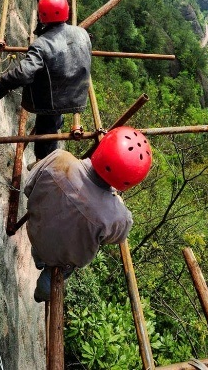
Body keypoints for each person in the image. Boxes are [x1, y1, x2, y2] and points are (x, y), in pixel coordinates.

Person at [23, 126, 152, 301]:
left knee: (41, 248)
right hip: (62, 260)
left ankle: (39, 259)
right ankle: (40, 294)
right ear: (129, 181)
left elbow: (28, 189)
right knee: (52, 276)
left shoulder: (59, 158)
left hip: (36, 233)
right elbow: (116, 239)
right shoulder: (118, 217)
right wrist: (117, 204)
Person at [0, 0, 91, 160]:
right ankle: (55, 131)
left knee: (45, 134)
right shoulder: (82, 33)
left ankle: (44, 162)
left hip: (51, 102)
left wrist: (2, 83)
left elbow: (24, 73)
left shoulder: (42, 44)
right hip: (76, 96)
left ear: (42, 16)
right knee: (54, 121)